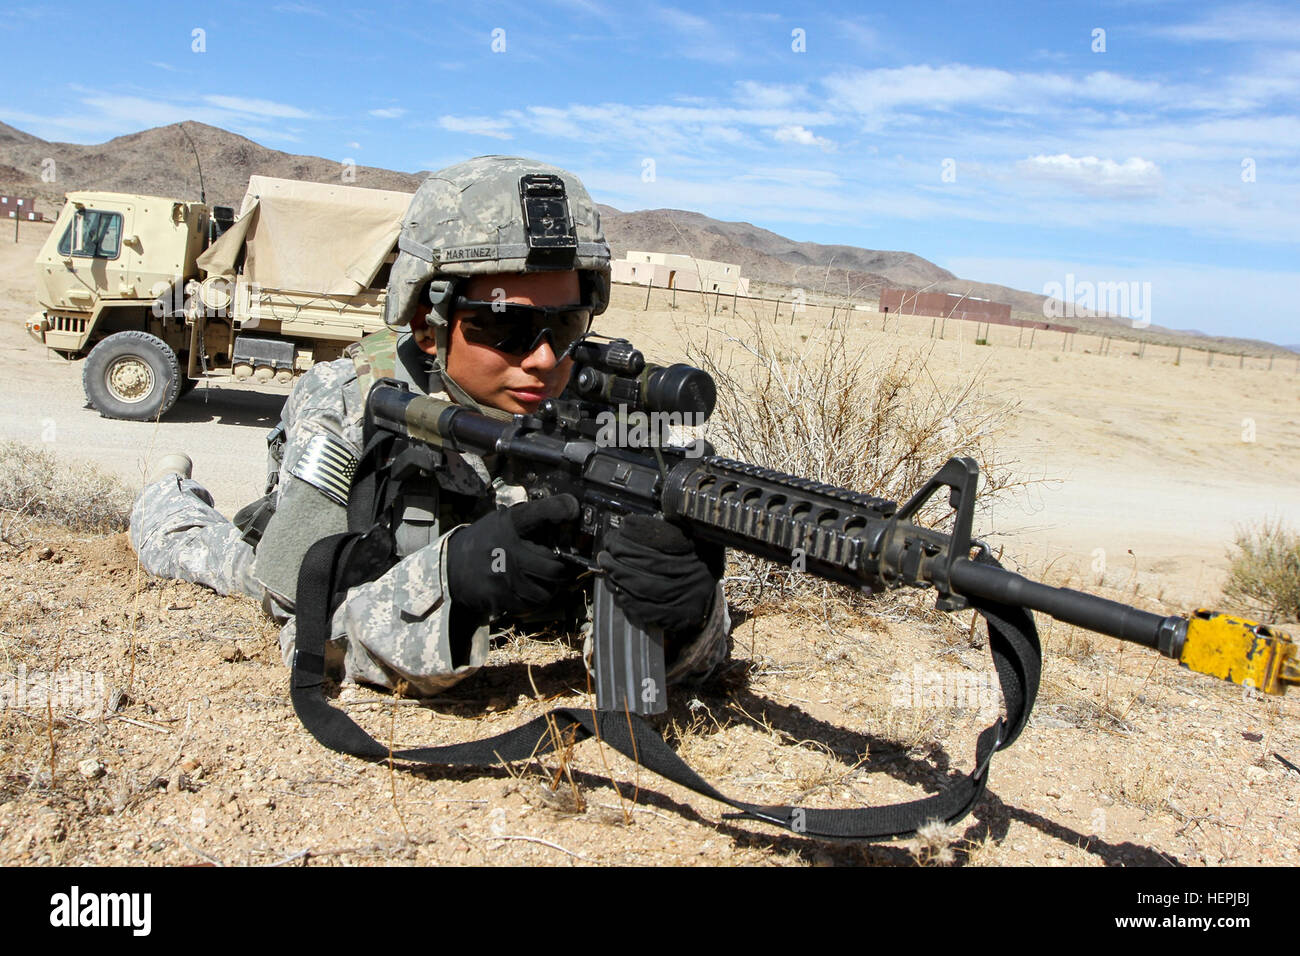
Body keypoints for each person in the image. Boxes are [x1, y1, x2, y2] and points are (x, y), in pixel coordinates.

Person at [129, 156, 730, 698]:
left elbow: (658, 642)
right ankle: (168, 489)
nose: (545, 360)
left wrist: (686, 617)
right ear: (427, 323)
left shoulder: (601, 410)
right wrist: (455, 585)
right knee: (215, 555)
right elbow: (304, 617)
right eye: (507, 329)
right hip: (349, 540)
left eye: (568, 325)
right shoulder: (350, 403)